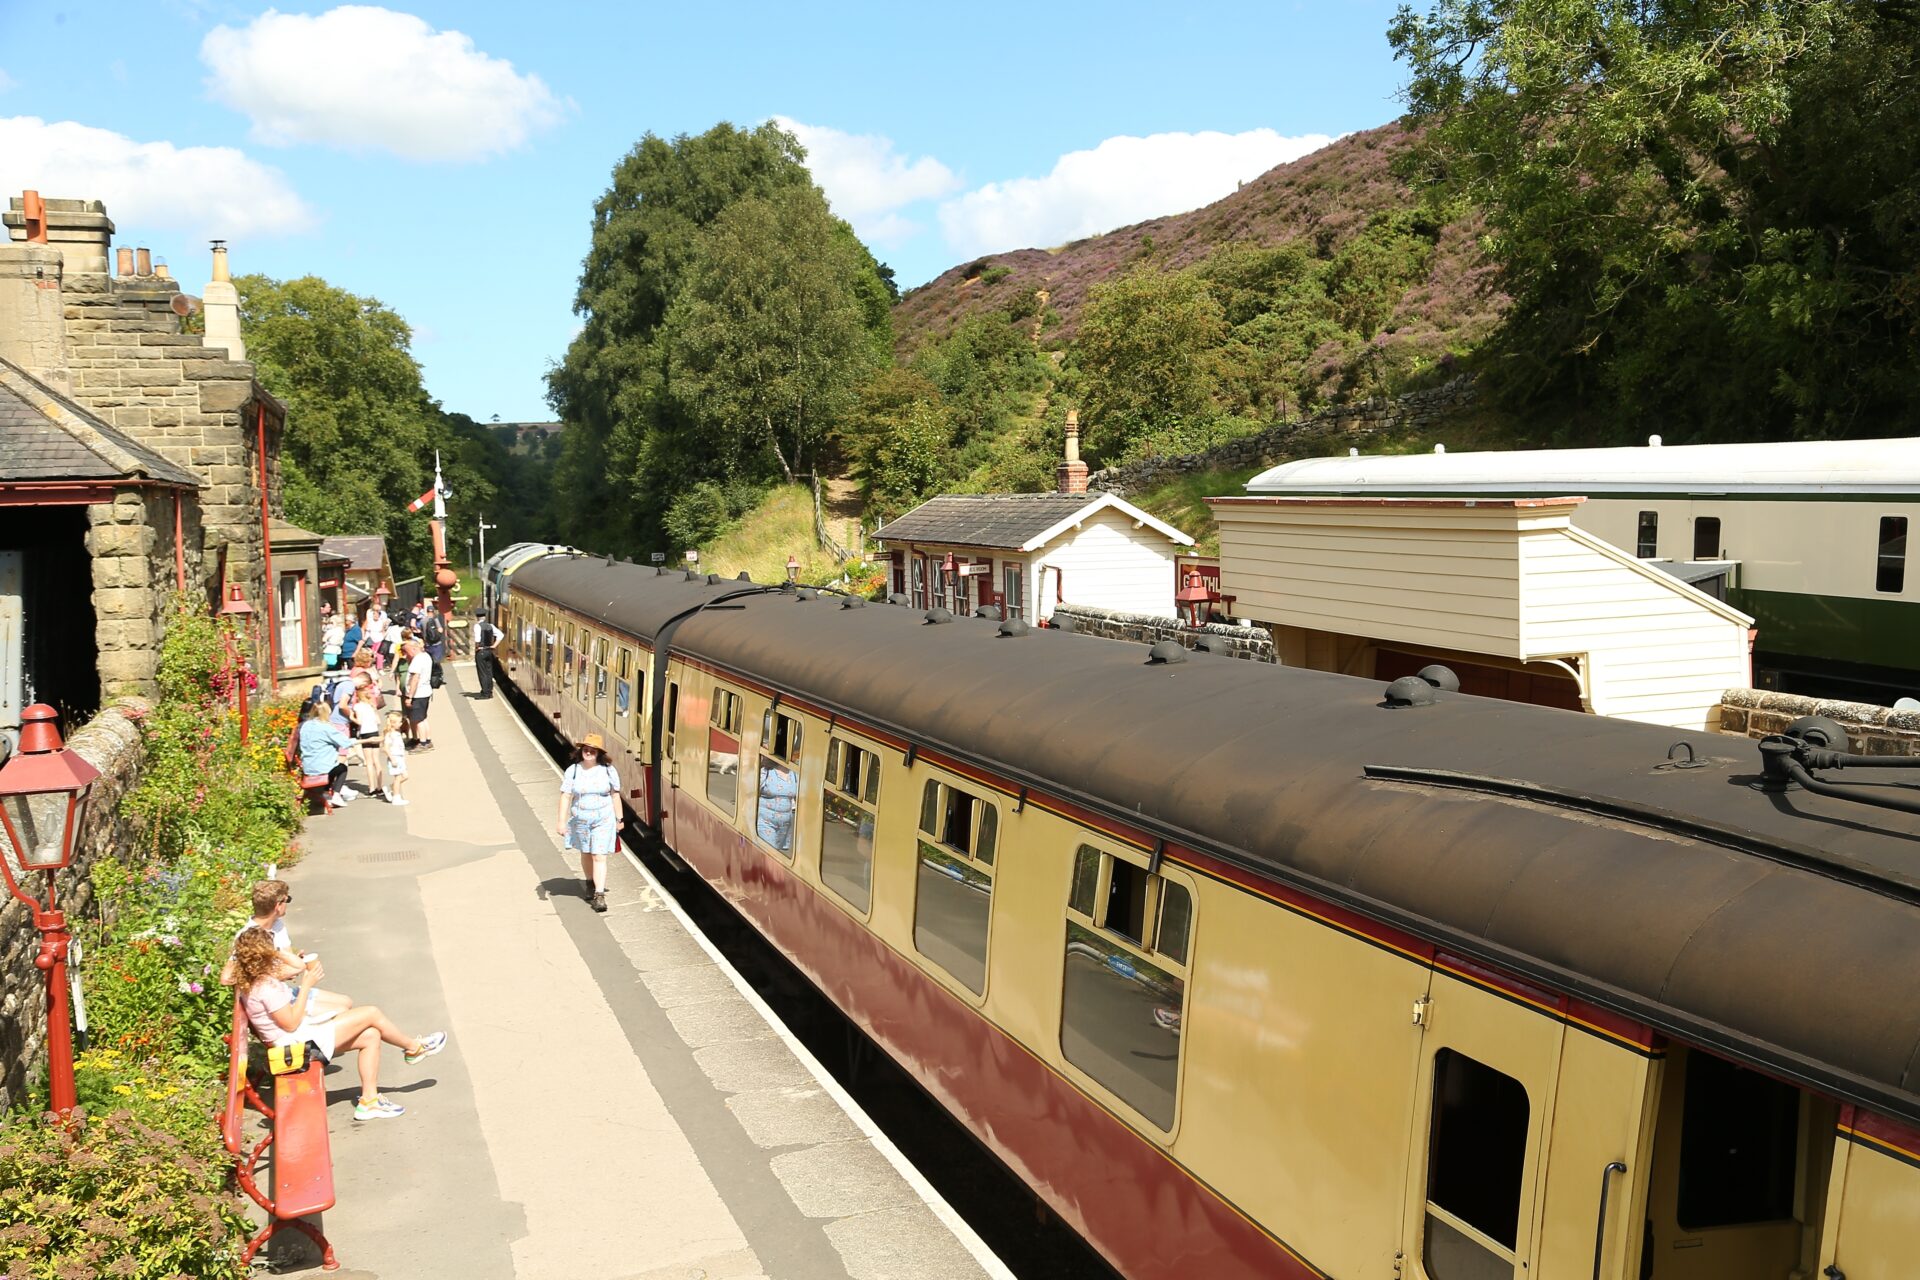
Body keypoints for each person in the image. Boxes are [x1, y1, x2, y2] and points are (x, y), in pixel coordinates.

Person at [231, 927, 445, 1122]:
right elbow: (291, 1024)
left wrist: (274, 951)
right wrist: (306, 986)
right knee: (371, 1013)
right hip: (296, 1048)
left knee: (370, 1035)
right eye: (272, 949)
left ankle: (369, 1102)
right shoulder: (266, 987)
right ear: (264, 955)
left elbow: (297, 965)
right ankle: (413, 1048)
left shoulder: (255, 978)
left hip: (296, 1040)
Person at [219, 880, 352, 1019]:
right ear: (278, 906)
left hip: (285, 991)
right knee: (342, 1011)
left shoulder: (278, 926)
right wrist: (278, 974)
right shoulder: (248, 937)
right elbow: (227, 978)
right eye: (287, 900)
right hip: (274, 1001)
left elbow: (285, 958)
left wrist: (295, 960)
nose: (287, 904)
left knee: (346, 1002)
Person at [558, 733, 619, 912]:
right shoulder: (574, 770)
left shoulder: (608, 770)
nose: (589, 752)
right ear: (581, 751)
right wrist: (561, 822)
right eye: (586, 749)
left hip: (604, 819)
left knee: (598, 855)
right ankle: (590, 882)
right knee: (586, 852)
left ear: (599, 753)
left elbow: (615, 795)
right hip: (581, 819)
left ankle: (600, 895)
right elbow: (566, 796)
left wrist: (619, 819)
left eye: (592, 750)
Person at [297, 698, 356, 807]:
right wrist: (366, 740)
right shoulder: (326, 727)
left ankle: (326, 793)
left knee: (331, 764)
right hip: (321, 767)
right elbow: (345, 742)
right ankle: (336, 795)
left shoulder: (306, 725)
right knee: (341, 768)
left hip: (308, 766)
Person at [757, 758, 798, 852]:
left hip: (785, 825)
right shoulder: (766, 772)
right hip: (765, 822)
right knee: (769, 853)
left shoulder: (795, 774)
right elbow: (751, 793)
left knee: (776, 855)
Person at [352, 684, 385, 796]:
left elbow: (360, 722)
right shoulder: (371, 706)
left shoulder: (357, 707)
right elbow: (378, 721)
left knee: (369, 762)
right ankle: (379, 786)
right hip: (374, 731)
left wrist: (352, 718)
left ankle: (371, 788)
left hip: (365, 734)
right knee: (377, 761)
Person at [403, 638, 435, 751]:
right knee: (423, 717)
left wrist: (410, 696)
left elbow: (415, 678)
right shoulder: (425, 656)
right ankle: (427, 739)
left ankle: (423, 743)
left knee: (419, 719)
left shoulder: (417, 660)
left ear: (413, 648)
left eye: (407, 651)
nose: (406, 654)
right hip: (425, 691)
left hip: (418, 693)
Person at [381, 711, 410, 805]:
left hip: (400, 757)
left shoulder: (397, 733)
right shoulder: (390, 734)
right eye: (399, 722)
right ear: (393, 723)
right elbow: (385, 748)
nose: (401, 724)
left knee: (405, 776)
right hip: (395, 757)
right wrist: (392, 758)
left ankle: (391, 788)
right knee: (397, 778)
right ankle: (396, 797)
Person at [472, 608, 499, 699]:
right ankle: (490, 691)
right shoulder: (490, 625)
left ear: (477, 617)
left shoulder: (477, 626)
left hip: (481, 650)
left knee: (482, 672)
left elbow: (477, 640)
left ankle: (485, 693)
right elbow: (500, 635)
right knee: (489, 672)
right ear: (485, 616)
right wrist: (494, 645)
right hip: (489, 651)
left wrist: (476, 647)